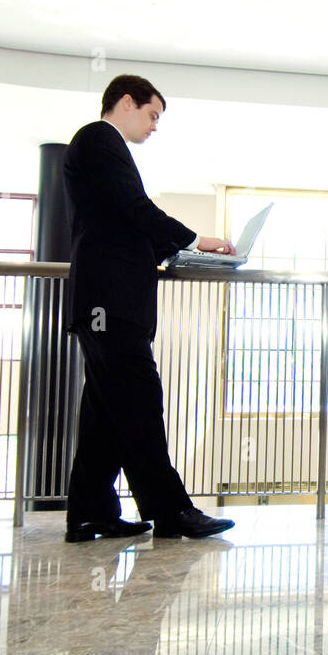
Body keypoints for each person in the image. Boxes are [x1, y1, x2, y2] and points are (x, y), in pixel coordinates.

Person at [61, 74, 236, 542]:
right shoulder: (99, 138)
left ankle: (90, 512)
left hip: (105, 302)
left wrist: (176, 253)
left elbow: (123, 221)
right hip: (110, 304)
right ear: (125, 102)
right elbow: (135, 207)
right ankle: (171, 510)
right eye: (153, 114)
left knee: (104, 413)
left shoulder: (98, 150)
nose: (155, 125)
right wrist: (197, 240)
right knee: (140, 403)